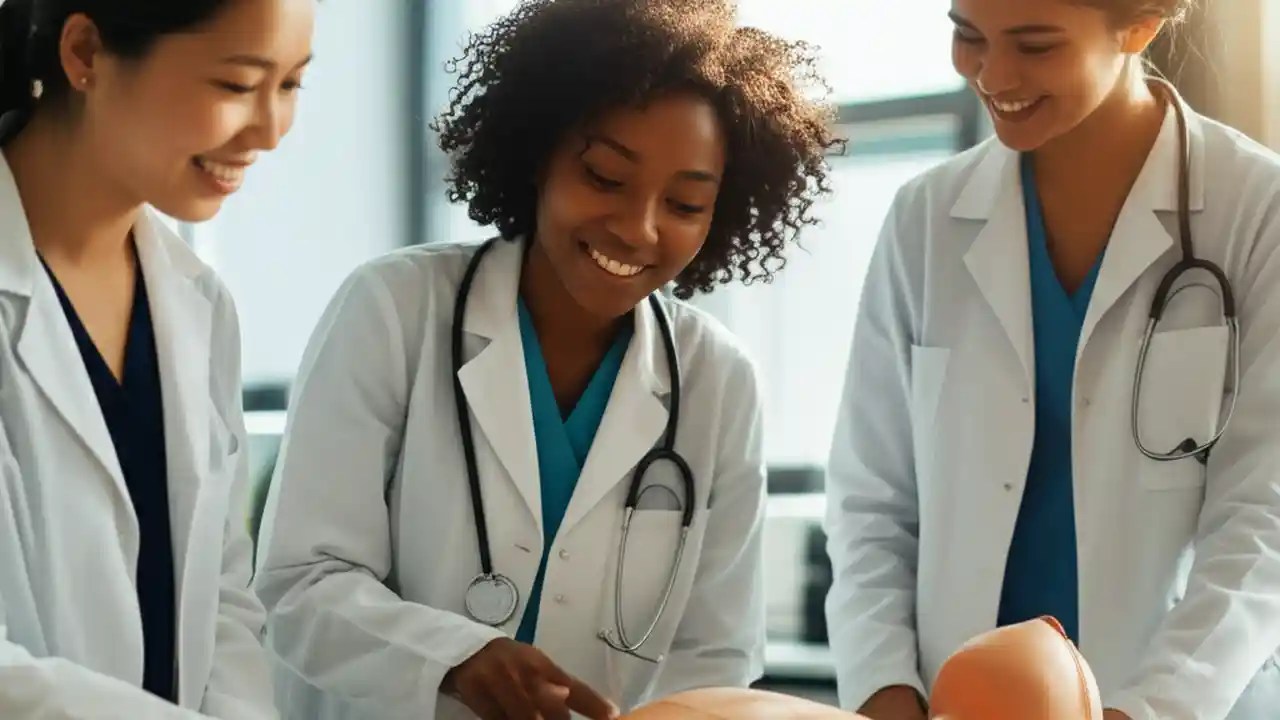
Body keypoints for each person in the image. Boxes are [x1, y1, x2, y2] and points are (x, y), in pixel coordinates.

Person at [251, 1, 840, 718]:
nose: (638, 227)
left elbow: (715, 656)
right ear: (539, 156)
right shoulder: (396, 308)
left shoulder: (718, 379)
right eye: (604, 177)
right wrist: (454, 657)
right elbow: (302, 583)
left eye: (685, 204)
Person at [824, 0, 1280, 719]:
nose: (992, 73)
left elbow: (1264, 520)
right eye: (967, 35)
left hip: (1183, 698)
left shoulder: (1258, 211)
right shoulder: (926, 219)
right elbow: (871, 502)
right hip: (956, 699)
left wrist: (1151, 709)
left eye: (1035, 46)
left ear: (1140, 25)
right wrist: (886, 691)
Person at [0, 0, 313, 717]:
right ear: (84, 55)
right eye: (237, 85)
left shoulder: (198, 301)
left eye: (292, 85)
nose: (270, 131)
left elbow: (224, 594)